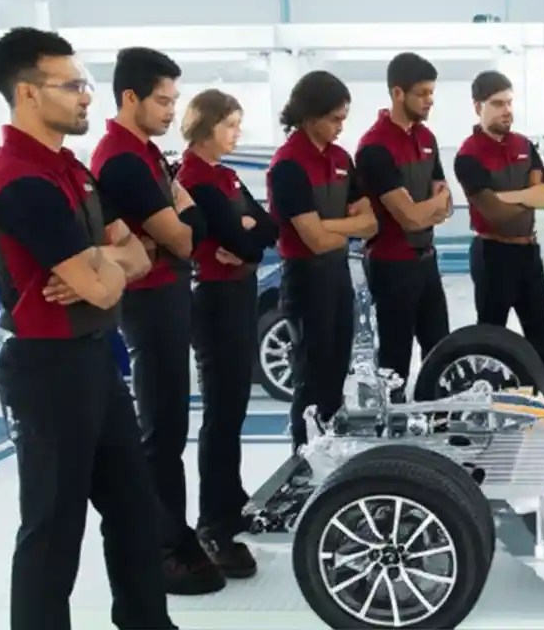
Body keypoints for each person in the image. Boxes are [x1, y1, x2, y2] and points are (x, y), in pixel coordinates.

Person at [0, 27, 175, 630]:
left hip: (94, 357)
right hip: (44, 371)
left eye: (85, 84)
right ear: (27, 94)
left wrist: (102, 261)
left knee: (135, 509)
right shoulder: (20, 179)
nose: (87, 97)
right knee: (54, 528)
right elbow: (97, 284)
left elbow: (138, 258)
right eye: (72, 86)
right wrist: (104, 265)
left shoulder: (71, 170)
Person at [88, 47, 221, 593]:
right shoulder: (120, 159)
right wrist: (178, 211)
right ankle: (162, 547)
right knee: (160, 432)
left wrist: (178, 210)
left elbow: (190, 223)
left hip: (167, 296)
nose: (172, 111)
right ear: (130, 98)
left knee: (169, 428)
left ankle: (175, 534)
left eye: (174, 99)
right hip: (148, 302)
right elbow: (188, 239)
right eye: (163, 100)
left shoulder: (148, 154)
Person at [175, 89, 277, 578]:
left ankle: (230, 499)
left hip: (239, 291)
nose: (238, 133)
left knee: (234, 405)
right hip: (213, 302)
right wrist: (244, 232)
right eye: (231, 124)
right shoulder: (193, 177)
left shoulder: (226, 176)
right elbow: (240, 236)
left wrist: (246, 235)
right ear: (206, 124)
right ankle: (213, 521)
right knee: (221, 409)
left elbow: (267, 229)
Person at [454, 71, 544, 405]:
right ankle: (488, 394)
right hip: (491, 253)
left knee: (539, 328)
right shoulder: (468, 156)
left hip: (527, 252)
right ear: (477, 107)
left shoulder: (524, 145)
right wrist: (530, 193)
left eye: (509, 102)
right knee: (492, 332)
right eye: (497, 103)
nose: (506, 110)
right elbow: (493, 214)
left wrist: (508, 196)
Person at [267, 70, 378, 450]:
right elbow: (312, 241)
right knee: (311, 376)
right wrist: (342, 227)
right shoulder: (288, 166)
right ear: (309, 115)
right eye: (334, 119)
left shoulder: (342, 158)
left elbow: (370, 225)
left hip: (337, 274)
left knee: (336, 371)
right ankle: (304, 454)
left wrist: (328, 224)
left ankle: (330, 446)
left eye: (343, 119)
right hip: (306, 278)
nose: (340, 127)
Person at [356, 52, 453, 401]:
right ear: (398, 93)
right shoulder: (374, 147)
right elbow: (409, 217)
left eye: (431, 93)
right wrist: (429, 209)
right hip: (392, 262)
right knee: (396, 359)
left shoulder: (426, 137)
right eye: (422, 94)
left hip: (426, 258)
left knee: (440, 350)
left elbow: (446, 203)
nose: (429, 101)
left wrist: (425, 210)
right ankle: (392, 432)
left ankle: (438, 423)